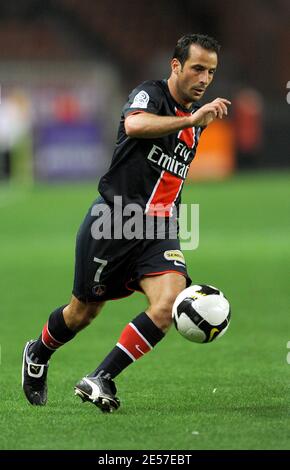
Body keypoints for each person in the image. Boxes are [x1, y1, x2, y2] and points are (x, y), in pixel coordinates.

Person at [22, 34, 230, 413]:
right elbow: (134, 126)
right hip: (114, 221)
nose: (204, 79)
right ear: (176, 66)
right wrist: (191, 118)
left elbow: (171, 176)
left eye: (211, 72)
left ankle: (102, 377)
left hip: (158, 229)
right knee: (82, 313)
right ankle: (38, 351)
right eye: (197, 68)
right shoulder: (150, 95)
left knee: (168, 304)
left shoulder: (197, 117)